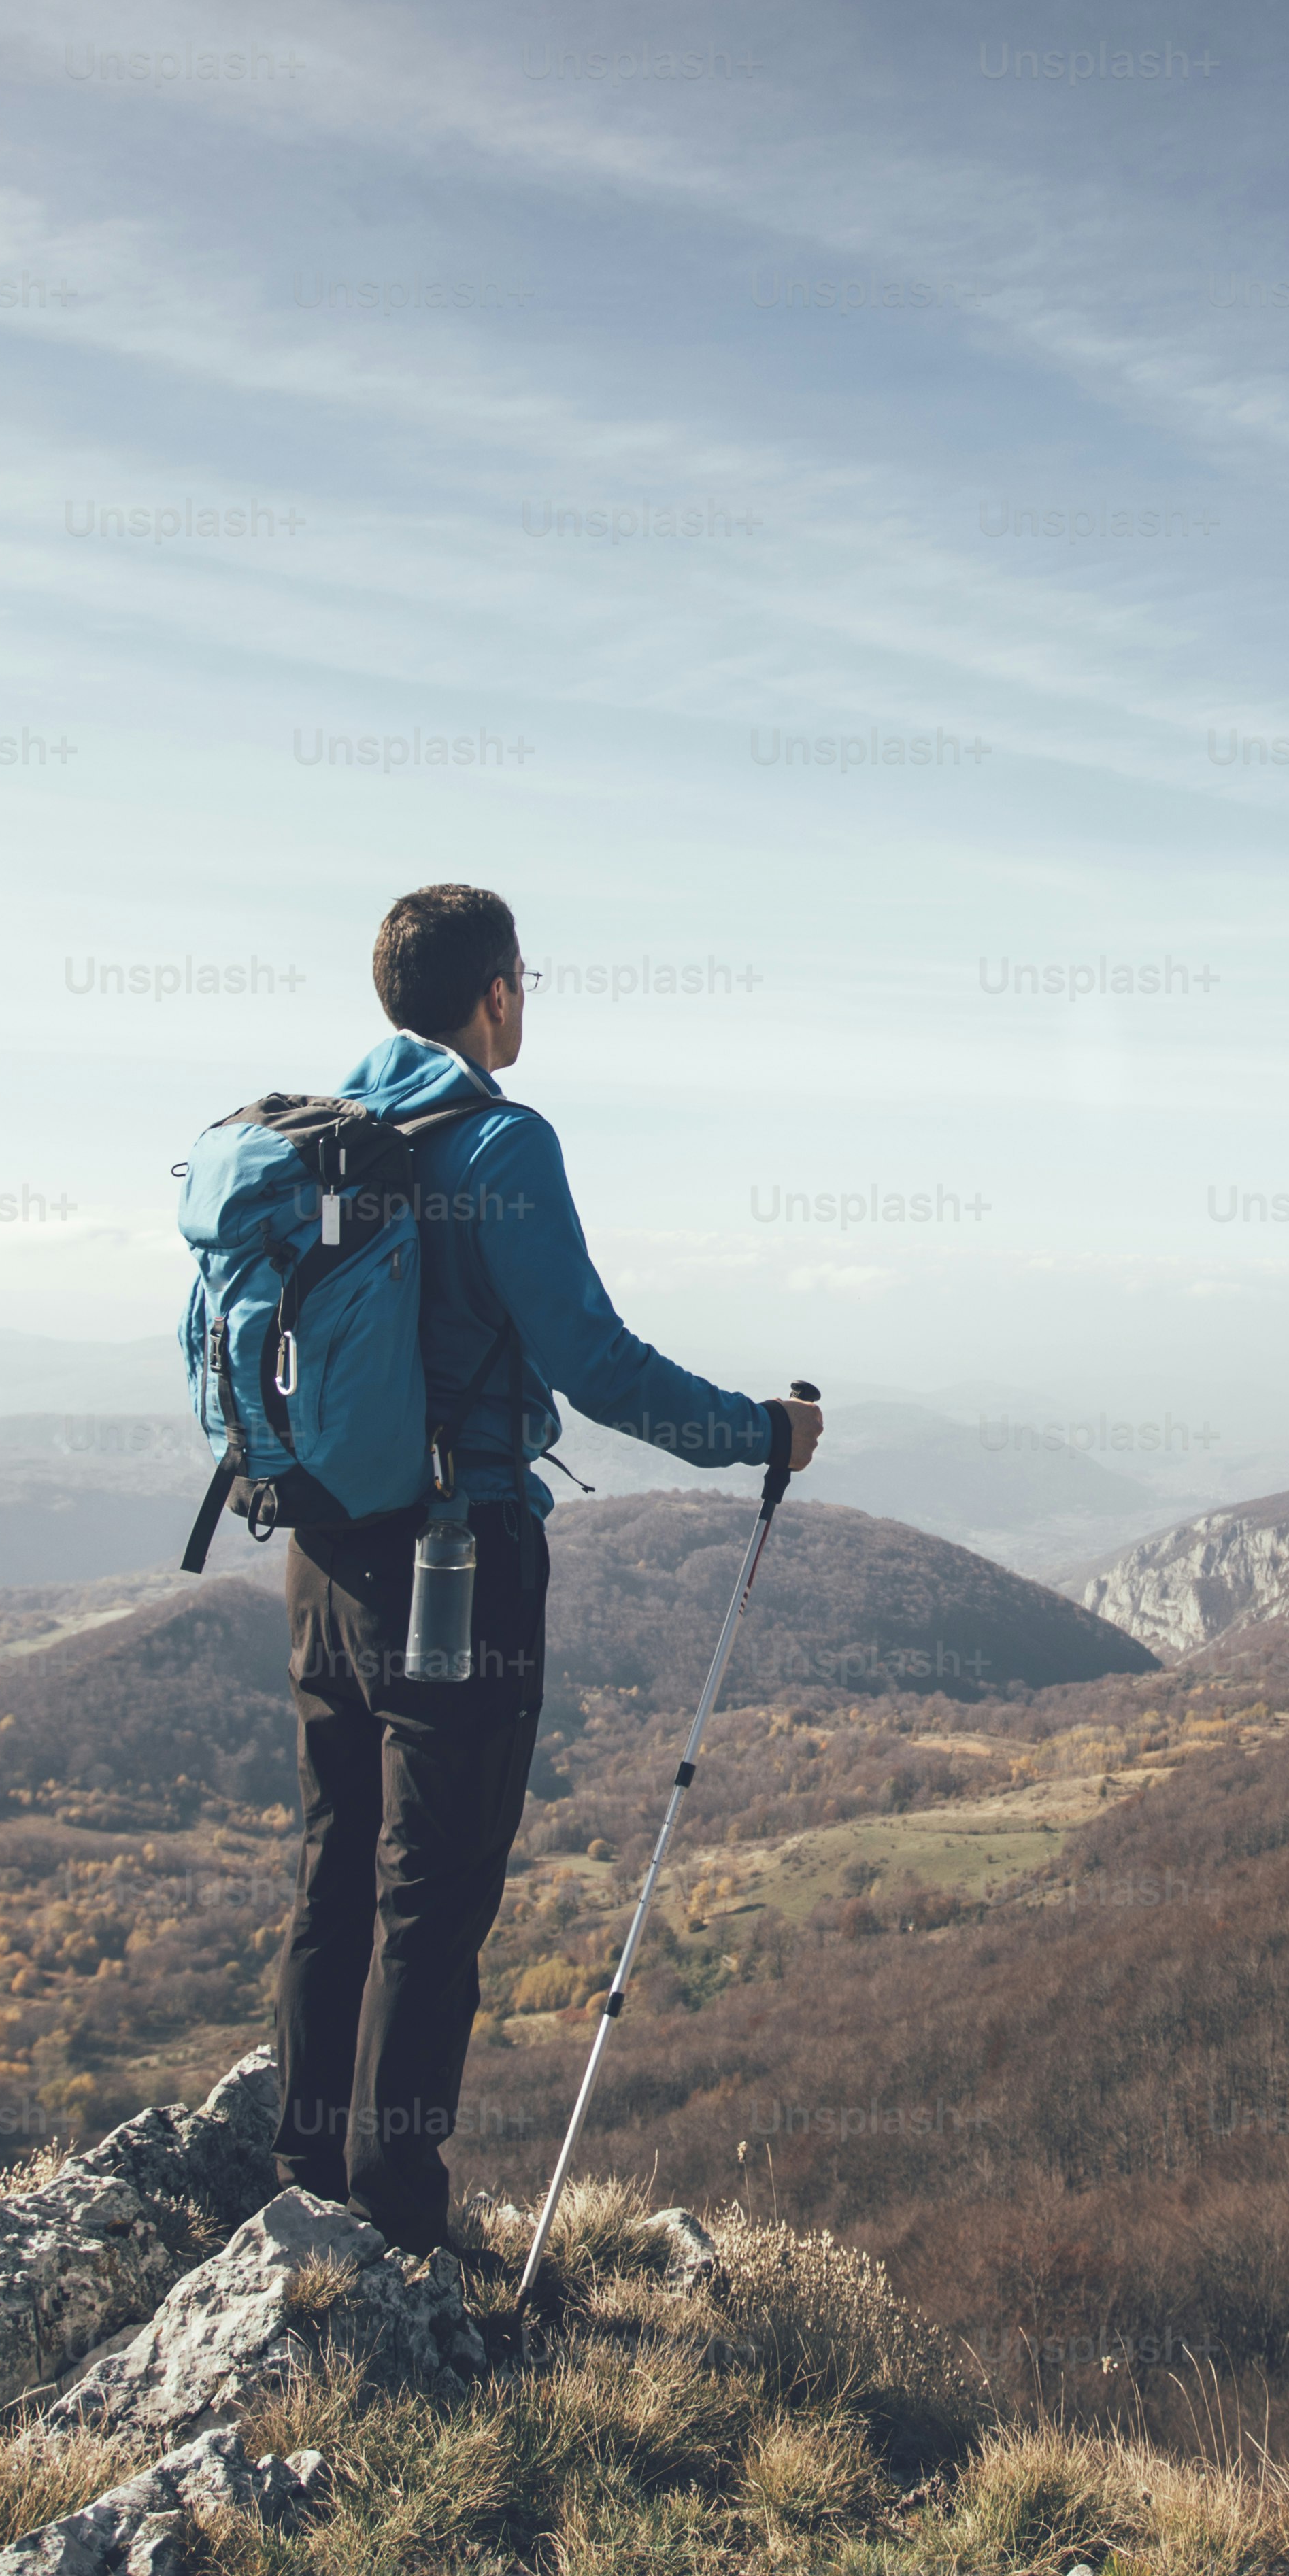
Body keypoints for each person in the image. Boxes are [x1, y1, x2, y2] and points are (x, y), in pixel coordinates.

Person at [269, 883, 824, 2255]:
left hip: (322, 1544)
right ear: (497, 992)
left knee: (337, 1864)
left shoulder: (320, 1133)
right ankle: (395, 2217)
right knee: (433, 1889)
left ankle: (299, 2181)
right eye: (526, 980)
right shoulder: (500, 1139)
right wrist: (754, 1432)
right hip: (458, 1560)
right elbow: (592, 1356)